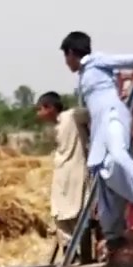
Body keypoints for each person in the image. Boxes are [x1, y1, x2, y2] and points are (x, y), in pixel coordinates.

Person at [59, 31, 133, 253]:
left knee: (118, 156)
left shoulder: (97, 61)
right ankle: (113, 233)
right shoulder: (83, 76)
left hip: (113, 116)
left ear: (71, 52)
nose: (66, 62)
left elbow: (128, 60)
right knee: (104, 173)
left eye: (66, 56)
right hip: (100, 125)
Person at [35, 91, 90, 248]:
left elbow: (92, 113)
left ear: (50, 108)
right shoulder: (58, 126)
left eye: (40, 109)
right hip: (63, 178)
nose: (38, 114)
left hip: (76, 175)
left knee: (78, 215)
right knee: (60, 216)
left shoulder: (72, 116)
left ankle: (80, 254)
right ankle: (71, 251)